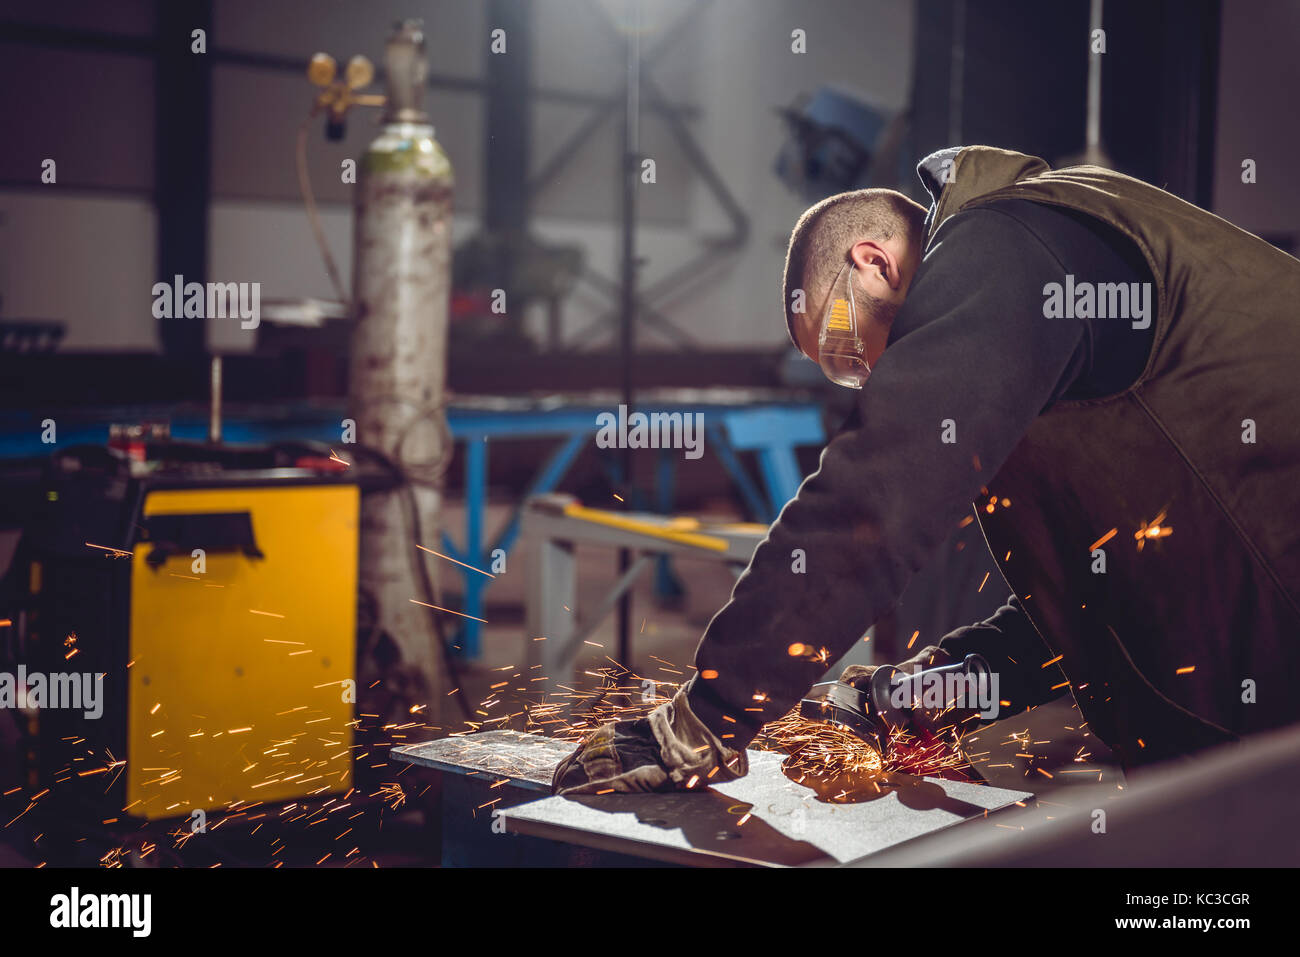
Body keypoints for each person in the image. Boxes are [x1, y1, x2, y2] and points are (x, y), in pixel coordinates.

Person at [553, 145, 1300, 795]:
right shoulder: (1040, 325)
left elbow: (871, 504)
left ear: (873, 260)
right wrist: (926, 692)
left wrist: (707, 716)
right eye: (843, 375)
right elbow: (1113, 599)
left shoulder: (1006, 245)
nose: (866, 374)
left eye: (844, 347)